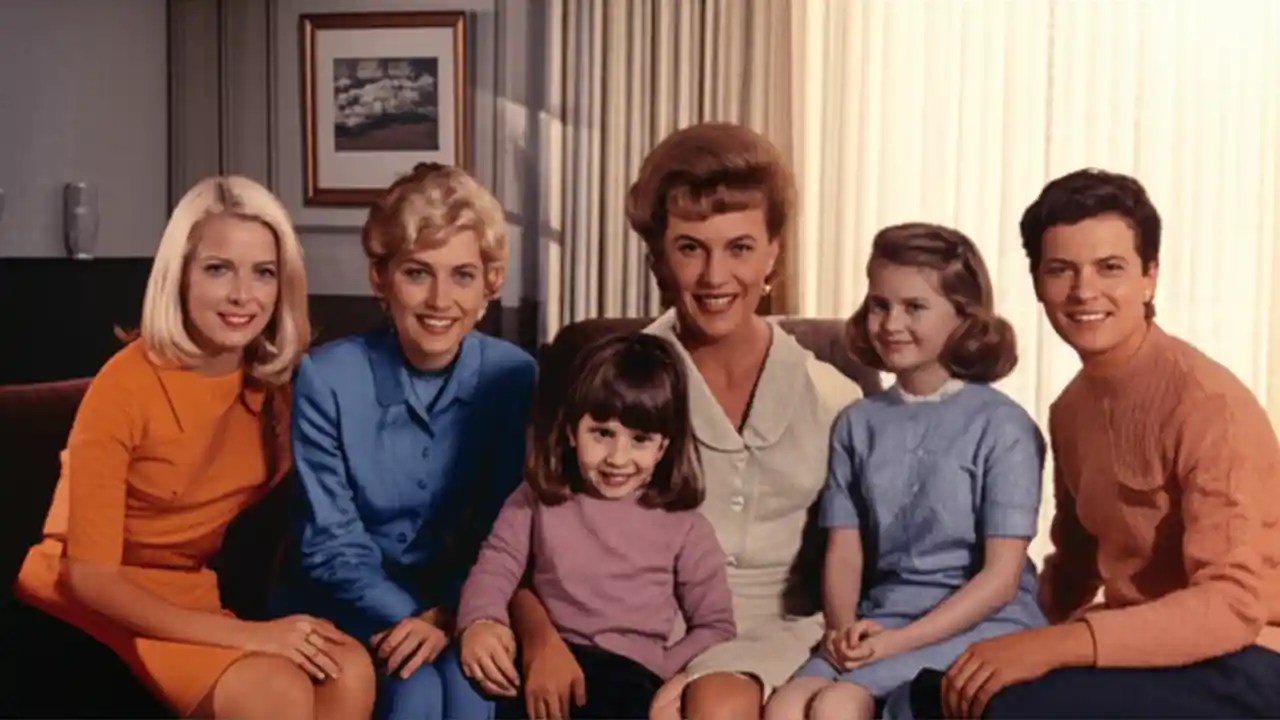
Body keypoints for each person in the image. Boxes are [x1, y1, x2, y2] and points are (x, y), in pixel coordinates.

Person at [465, 123, 864, 720]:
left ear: (774, 251)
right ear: (658, 255)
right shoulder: (614, 390)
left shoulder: (836, 398)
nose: (714, 277)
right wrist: (543, 640)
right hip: (646, 648)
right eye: (690, 247)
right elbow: (534, 541)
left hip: (793, 638)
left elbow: (871, 562)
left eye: (740, 247)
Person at [912, 169, 1280, 718]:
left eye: (1110, 268)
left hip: (1246, 655)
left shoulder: (1209, 405)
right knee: (930, 691)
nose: (1084, 292)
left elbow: (1233, 605)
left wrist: (1055, 646)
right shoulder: (1071, 407)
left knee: (1013, 708)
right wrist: (993, 634)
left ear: (1150, 277)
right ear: (1038, 283)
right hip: (1137, 648)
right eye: (1061, 270)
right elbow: (1076, 564)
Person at [12, 176, 376, 718]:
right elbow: (90, 577)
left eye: (263, 273)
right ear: (179, 276)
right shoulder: (126, 385)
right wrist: (253, 637)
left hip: (187, 588)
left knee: (348, 667)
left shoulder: (275, 387)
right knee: (277, 689)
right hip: (86, 594)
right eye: (217, 269)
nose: (242, 295)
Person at [276, 162, 536, 720]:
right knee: (414, 689)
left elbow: (510, 528)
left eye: (462, 275)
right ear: (381, 279)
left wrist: (450, 615)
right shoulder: (327, 378)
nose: (440, 300)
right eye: (418, 273)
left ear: (490, 284)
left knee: (472, 688)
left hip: (466, 601)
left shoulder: (516, 377)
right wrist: (410, 617)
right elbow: (329, 543)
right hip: (349, 601)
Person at [765, 223, 1046, 720]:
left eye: (914, 307)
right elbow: (845, 549)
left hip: (981, 622)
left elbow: (1000, 578)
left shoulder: (1004, 427)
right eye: (879, 304)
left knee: (836, 705)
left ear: (963, 316)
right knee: (786, 706)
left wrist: (898, 643)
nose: (891, 323)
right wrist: (842, 628)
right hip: (884, 616)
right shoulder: (859, 423)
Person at [457, 332, 737, 719]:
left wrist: (661, 665)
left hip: (629, 675)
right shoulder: (537, 498)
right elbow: (495, 566)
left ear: (663, 448)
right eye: (602, 433)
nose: (618, 458)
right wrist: (481, 620)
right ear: (572, 431)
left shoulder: (687, 528)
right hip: (547, 658)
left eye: (640, 439)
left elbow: (716, 626)